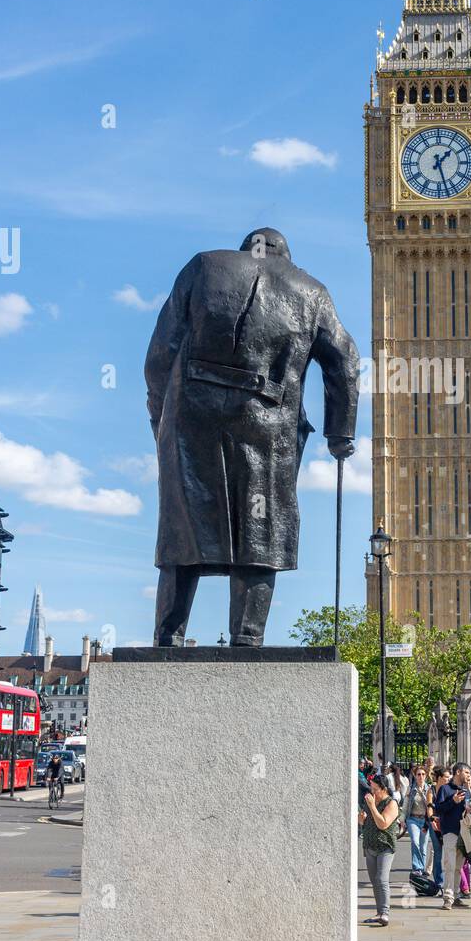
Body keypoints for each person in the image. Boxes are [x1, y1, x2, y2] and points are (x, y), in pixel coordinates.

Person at [145, 227, 359, 646]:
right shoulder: (311, 291)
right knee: (262, 523)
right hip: (268, 422)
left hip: (191, 416)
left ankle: (168, 635)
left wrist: (159, 412)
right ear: (287, 257)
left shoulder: (204, 265)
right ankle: (247, 637)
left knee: (183, 524)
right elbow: (344, 362)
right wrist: (340, 434)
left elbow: (160, 351)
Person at [358, 773, 400, 927]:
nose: (372, 792)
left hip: (385, 847)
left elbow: (383, 823)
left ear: (384, 789)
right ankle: (379, 912)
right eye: (371, 789)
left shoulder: (391, 803)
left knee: (382, 879)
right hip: (369, 845)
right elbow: (365, 821)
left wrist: (372, 807)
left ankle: (385, 913)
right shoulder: (371, 801)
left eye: (375, 789)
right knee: (374, 881)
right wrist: (361, 819)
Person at [434, 762, 471, 910]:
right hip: (450, 831)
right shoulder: (445, 789)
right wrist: (453, 801)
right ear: (458, 772)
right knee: (450, 865)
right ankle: (448, 898)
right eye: (467, 773)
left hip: (464, 832)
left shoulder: (466, 791)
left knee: (458, 867)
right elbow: (438, 809)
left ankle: (456, 895)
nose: (469, 776)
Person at [425, 767, 448, 890]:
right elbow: (429, 806)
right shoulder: (431, 790)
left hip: (447, 824)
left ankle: (450, 882)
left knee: (449, 853)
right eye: (446, 777)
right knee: (438, 852)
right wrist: (432, 819)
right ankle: (439, 882)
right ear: (439, 778)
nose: (448, 779)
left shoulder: (449, 790)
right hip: (435, 823)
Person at [404, 765, 430, 874]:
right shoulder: (410, 788)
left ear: (426, 776)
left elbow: (430, 805)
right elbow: (405, 803)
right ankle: (417, 868)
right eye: (418, 774)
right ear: (415, 776)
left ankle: (422, 868)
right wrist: (402, 819)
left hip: (425, 820)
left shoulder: (429, 789)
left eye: (423, 774)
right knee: (415, 842)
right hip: (412, 819)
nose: (421, 777)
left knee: (423, 847)